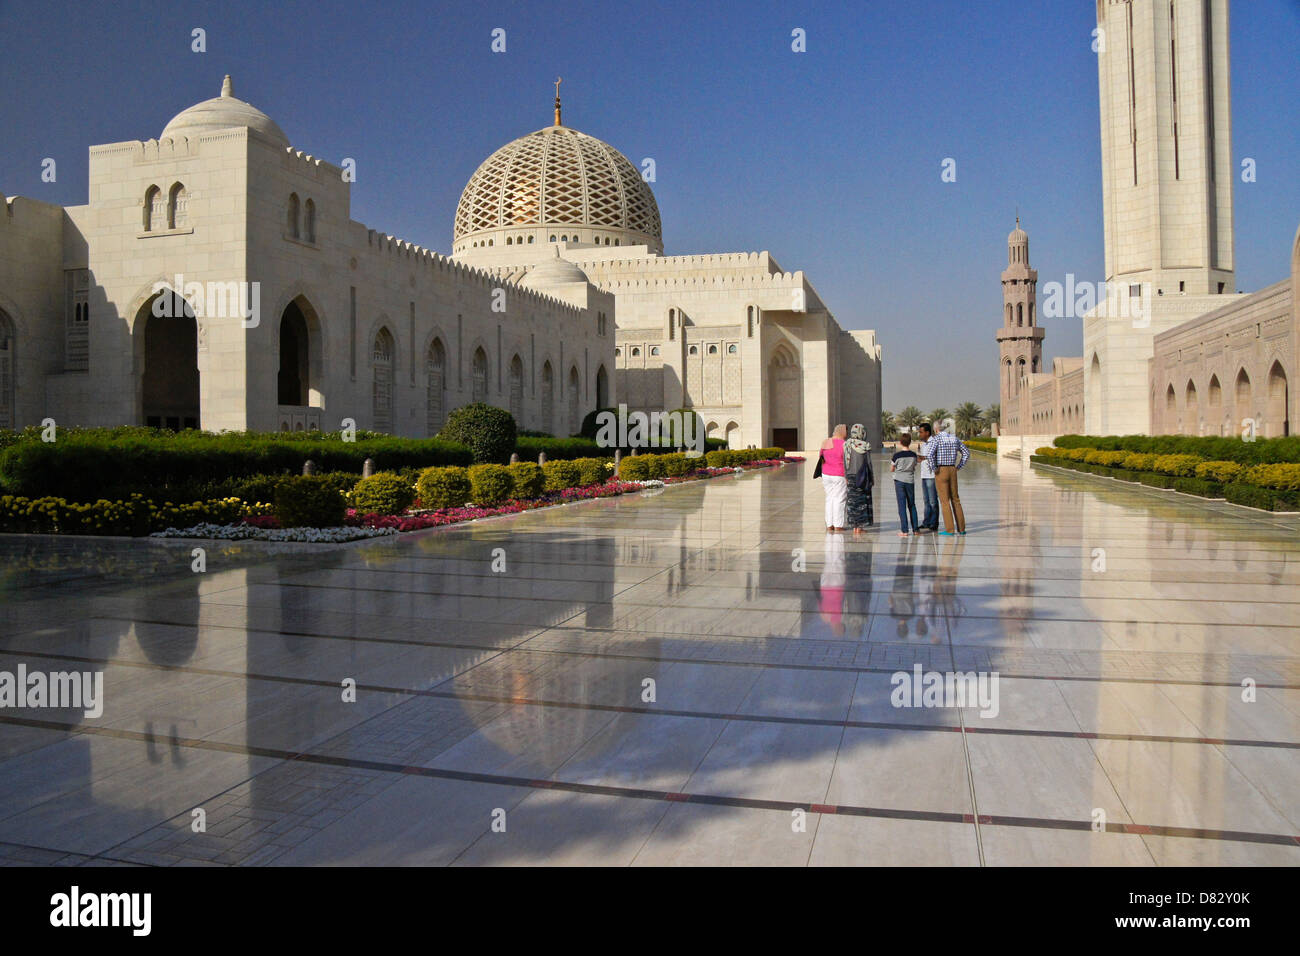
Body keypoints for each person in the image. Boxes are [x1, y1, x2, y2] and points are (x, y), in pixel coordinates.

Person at [928, 427, 970, 535]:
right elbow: (966, 453)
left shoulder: (936, 439)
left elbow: (930, 454)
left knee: (945, 501)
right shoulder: (954, 438)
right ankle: (961, 529)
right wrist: (959, 466)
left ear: (936, 428)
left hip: (941, 469)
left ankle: (950, 529)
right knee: (955, 499)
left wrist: (934, 468)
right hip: (952, 469)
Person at [843, 423, 874, 534]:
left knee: (852, 502)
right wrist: (871, 478)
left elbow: (844, 462)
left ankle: (854, 526)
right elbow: (868, 464)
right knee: (861, 502)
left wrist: (846, 475)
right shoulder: (865, 446)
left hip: (850, 477)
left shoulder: (847, 444)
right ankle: (860, 527)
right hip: (862, 477)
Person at [817, 424, 848, 532]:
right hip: (839, 474)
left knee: (829, 498)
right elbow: (847, 461)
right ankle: (838, 525)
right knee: (839, 499)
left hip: (826, 474)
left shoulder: (826, 442)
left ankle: (829, 524)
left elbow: (821, 456)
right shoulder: (844, 444)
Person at [890, 434, 919, 537]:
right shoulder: (914, 455)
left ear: (900, 442)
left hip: (899, 481)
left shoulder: (896, 456)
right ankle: (915, 529)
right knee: (912, 505)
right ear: (910, 442)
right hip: (910, 481)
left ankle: (904, 530)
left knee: (902, 506)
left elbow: (892, 468)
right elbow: (915, 465)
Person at [914, 422, 939, 534]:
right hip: (924, 475)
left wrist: (922, 458)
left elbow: (931, 457)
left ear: (927, 432)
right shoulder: (924, 444)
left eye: (921, 432)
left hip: (931, 475)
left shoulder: (933, 443)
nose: (920, 434)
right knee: (926, 501)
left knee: (933, 501)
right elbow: (923, 459)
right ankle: (926, 522)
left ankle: (934, 523)